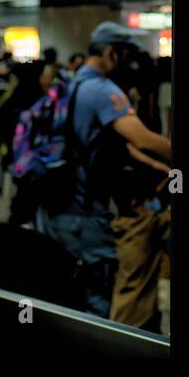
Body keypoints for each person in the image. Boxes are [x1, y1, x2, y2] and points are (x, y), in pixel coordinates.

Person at [36, 22, 172, 321]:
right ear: (111, 52)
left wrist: (158, 166)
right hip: (86, 212)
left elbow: (110, 145)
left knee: (70, 291)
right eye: (124, 55)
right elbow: (141, 138)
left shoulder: (71, 84)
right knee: (99, 298)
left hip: (57, 204)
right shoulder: (102, 90)